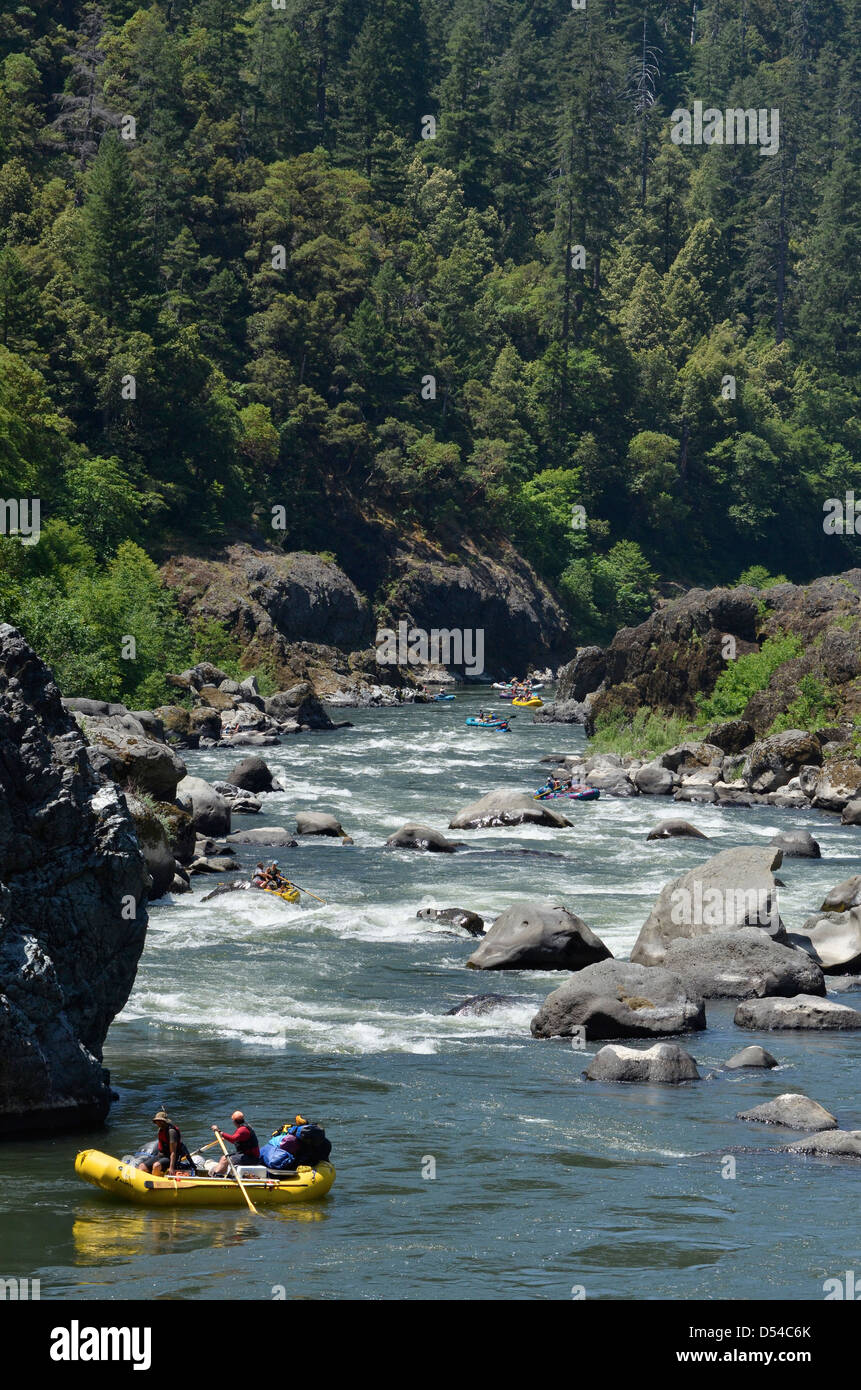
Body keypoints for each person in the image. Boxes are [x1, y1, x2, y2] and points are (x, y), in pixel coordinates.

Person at [138, 1108, 193, 1176]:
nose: (157, 1123)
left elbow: (173, 1152)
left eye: (159, 1121)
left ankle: (156, 1180)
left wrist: (171, 1167)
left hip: (170, 1158)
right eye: (157, 1121)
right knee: (142, 1166)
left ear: (164, 1121)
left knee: (156, 1166)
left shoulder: (171, 1132)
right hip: (161, 1155)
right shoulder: (161, 1130)